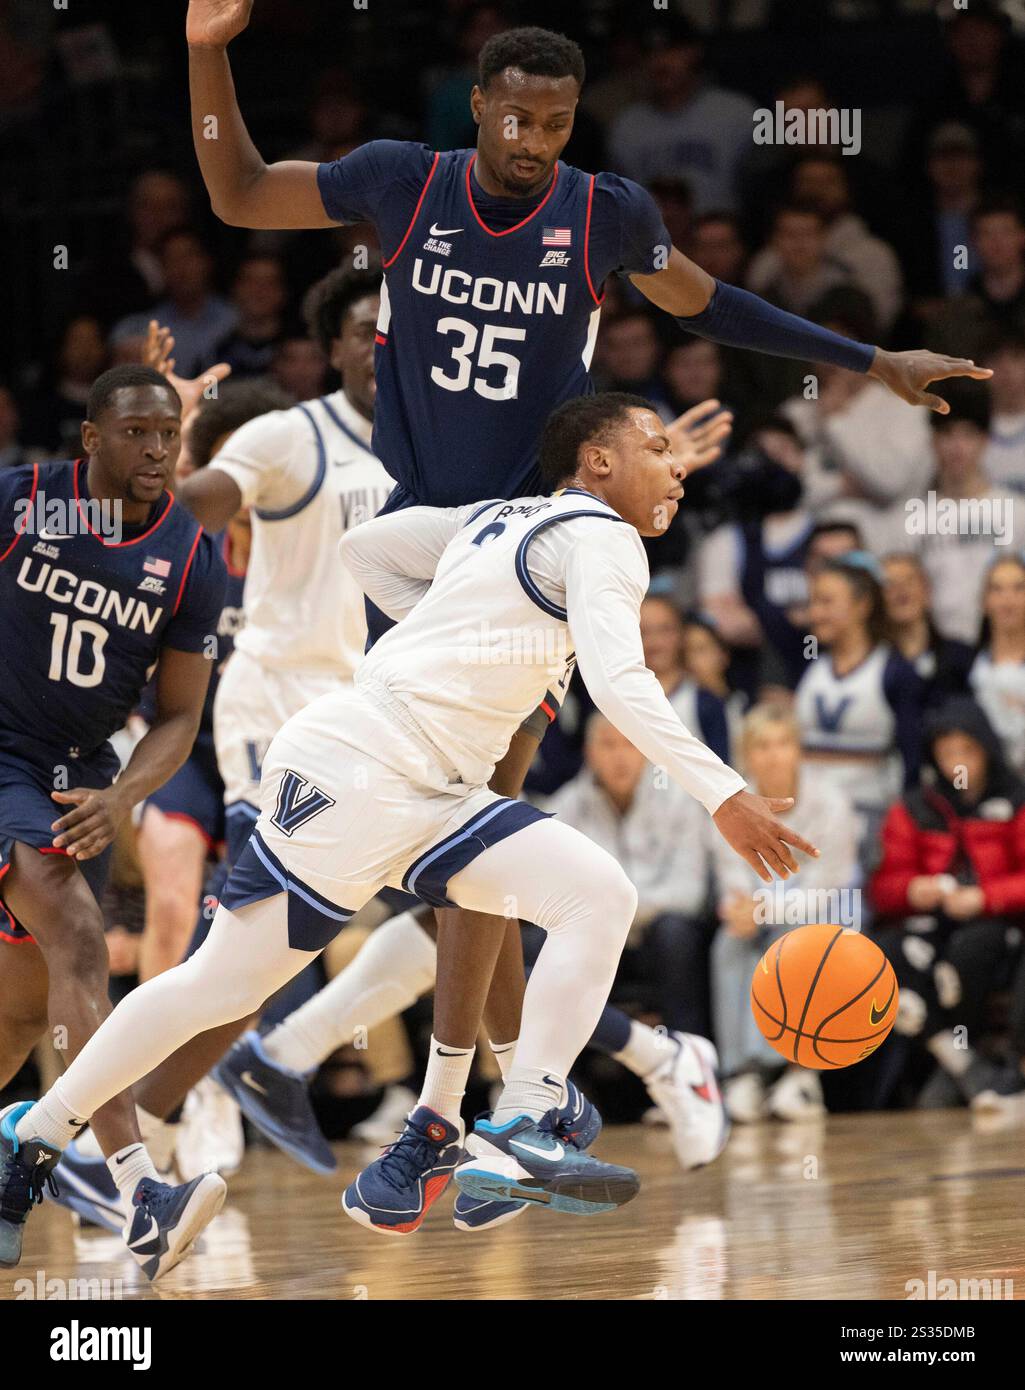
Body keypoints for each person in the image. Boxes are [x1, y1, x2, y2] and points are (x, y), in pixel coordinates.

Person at [185, 0, 987, 1209]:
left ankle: (461, 1113)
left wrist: (869, 360)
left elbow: (710, 302)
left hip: (525, 552)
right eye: (517, 115)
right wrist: (204, 50)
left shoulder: (603, 212)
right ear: (479, 104)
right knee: (448, 862)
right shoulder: (404, 182)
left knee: (473, 847)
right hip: (416, 547)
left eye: (557, 122)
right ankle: (543, 1084)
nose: (535, 139)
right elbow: (241, 195)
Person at [10, 393, 819, 1244]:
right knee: (590, 900)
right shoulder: (604, 539)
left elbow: (365, 550)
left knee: (225, 982)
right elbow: (622, 682)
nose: (678, 468)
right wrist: (723, 793)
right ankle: (522, 1120)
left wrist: (448, 630)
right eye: (657, 447)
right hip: (382, 768)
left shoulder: (496, 522)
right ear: (598, 463)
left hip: (380, 771)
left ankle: (33, 1137)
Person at [0, 365, 228, 1281]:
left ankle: (13, 1170)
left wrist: (124, 796)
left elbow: (178, 715)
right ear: (89, 439)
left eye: (167, 435)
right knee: (84, 943)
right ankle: (138, 1192)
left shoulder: (189, 555)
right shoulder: (28, 506)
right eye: (135, 433)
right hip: (3, 751)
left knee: (22, 1009)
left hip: (84, 775)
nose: (155, 452)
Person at [871, 698, 1024, 1109]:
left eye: (966, 751)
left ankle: (971, 1058)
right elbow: (882, 887)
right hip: (932, 923)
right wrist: (911, 890)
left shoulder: (1016, 798)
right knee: (882, 953)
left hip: (998, 923)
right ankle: (959, 1063)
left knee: (971, 950)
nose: (957, 763)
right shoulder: (914, 807)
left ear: (986, 749)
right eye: (947, 753)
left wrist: (985, 897)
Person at [710, 705, 856, 1123]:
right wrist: (740, 909)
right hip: (754, 912)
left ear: (798, 750)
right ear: (747, 755)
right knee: (728, 944)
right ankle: (742, 1075)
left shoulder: (830, 802)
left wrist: (765, 910)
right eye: (762, 746)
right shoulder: (729, 804)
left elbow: (829, 885)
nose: (774, 755)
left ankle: (798, 1072)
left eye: (783, 744)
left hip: (828, 912)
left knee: (793, 938)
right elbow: (729, 876)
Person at [794, 554, 926, 870]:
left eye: (826, 602)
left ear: (863, 605)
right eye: (813, 602)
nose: (816, 613)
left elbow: (912, 763)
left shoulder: (895, 672)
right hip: (806, 819)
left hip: (867, 822)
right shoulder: (811, 664)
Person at [882, 552, 973, 704]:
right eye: (889, 584)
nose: (900, 591)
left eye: (909, 581)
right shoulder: (874, 663)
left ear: (927, 590)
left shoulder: (960, 656)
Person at [968, 554, 1025, 777]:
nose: (1007, 600)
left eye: (1019, 588)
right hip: (989, 789)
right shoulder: (965, 666)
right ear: (984, 601)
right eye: (997, 589)